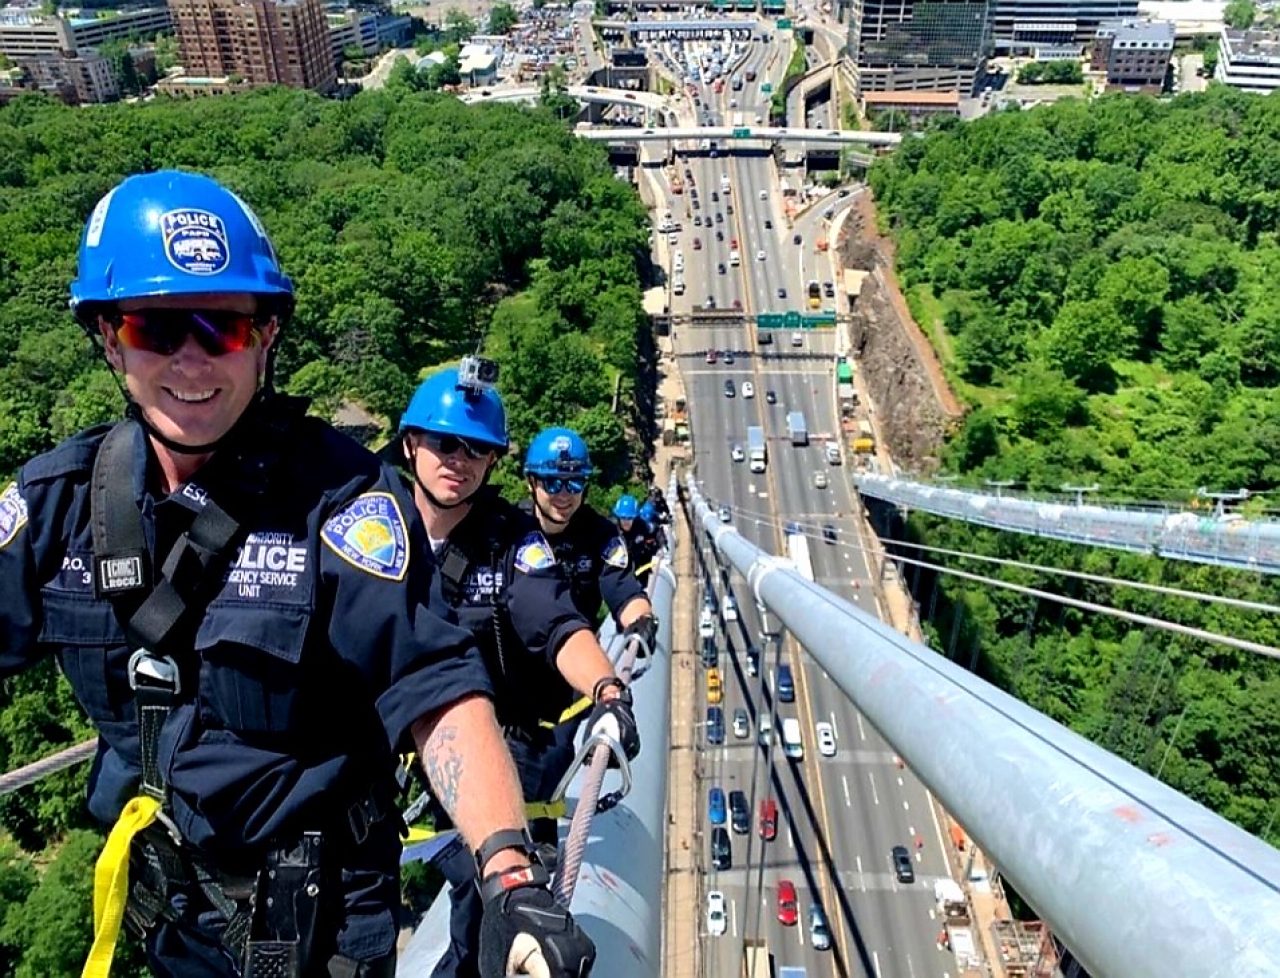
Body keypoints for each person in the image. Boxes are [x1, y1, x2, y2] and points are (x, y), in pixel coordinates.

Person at [0, 171, 595, 978]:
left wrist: (509, 876)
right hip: (175, 919)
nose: (191, 361)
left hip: (326, 919)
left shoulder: (344, 502)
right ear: (109, 338)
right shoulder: (57, 507)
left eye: (224, 329)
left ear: (267, 337)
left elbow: (434, 686)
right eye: (156, 328)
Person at [398, 369, 641, 978]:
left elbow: (554, 619)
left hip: (485, 747)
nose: (460, 460)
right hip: (380, 767)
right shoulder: (369, 528)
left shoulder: (513, 542)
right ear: (410, 443)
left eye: (477, 449)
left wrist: (607, 688)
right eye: (445, 443)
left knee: (484, 897)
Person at [612, 494, 661, 586]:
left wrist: (656, 549)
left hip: (638, 568)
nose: (626, 522)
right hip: (617, 573)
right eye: (623, 518)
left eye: (630, 518)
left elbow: (655, 532)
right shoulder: (611, 530)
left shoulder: (641, 526)